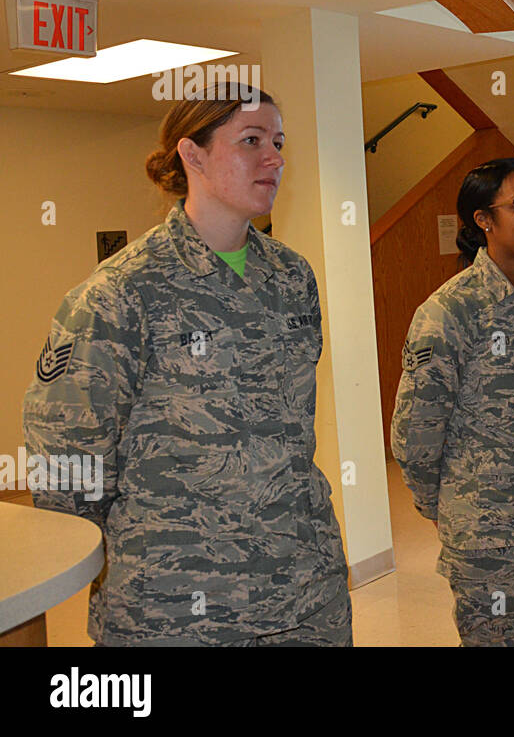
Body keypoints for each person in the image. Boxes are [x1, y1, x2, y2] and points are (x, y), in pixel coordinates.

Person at [22, 83, 352, 646]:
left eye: (278, 141)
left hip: (304, 591)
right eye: (251, 140)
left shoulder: (293, 277)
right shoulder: (120, 292)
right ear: (192, 154)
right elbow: (67, 463)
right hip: (177, 604)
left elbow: (292, 430)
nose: (274, 157)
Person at [391, 157, 514, 646]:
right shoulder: (449, 312)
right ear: (483, 219)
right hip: (492, 534)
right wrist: (442, 506)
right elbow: (415, 432)